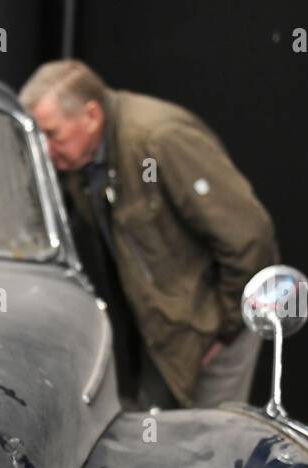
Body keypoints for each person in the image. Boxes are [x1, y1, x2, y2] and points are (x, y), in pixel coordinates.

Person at [20, 60, 279, 409]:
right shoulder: (82, 159)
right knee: (157, 436)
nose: (46, 151)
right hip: (162, 327)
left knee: (208, 443)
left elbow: (248, 235)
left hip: (211, 325)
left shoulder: (160, 139)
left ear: (92, 115)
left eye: (52, 135)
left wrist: (224, 328)